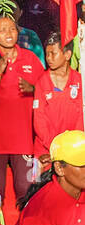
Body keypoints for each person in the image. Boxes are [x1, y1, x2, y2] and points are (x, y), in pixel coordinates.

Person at [0, 11, 42, 205]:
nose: (9, 33)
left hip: (24, 140)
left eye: (12, 29)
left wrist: (33, 89)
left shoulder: (30, 58)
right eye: (3, 30)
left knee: (26, 190)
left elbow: (46, 89)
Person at [31, 32, 81, 166]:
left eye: (53, 53)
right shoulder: (42, 82)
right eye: (47, 53)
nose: (48, 58)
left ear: (67, 55)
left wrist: (71, 145)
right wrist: (54, 146)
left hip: (73, 148)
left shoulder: (79, 81)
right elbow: (39, 120)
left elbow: (80, 118)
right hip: (46, 150)